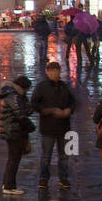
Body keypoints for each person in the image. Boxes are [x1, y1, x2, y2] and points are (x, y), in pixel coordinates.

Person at [30, 61, 74, 191]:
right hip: (48, 127)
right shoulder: (42, 87)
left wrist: (68, 110)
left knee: (64, 155)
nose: (55, 73)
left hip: (64, 127)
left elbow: (73, 102)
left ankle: (64, 178)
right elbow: (34, 103)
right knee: (46, 155)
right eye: (52, 71)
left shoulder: (64, 87)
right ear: (48, 72)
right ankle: (44, 178)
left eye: (57, 70)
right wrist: (47, 110)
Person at [0, 74, 34, 195]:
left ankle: (8, 183)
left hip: (12, 130)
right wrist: (30, 126)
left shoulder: (15, 96)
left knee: (13, 158)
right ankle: (9, 186)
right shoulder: (13, 97)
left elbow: (28, 110)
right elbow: (20, 115)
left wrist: (26, 99)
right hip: (13, 131)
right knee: (14, 159)